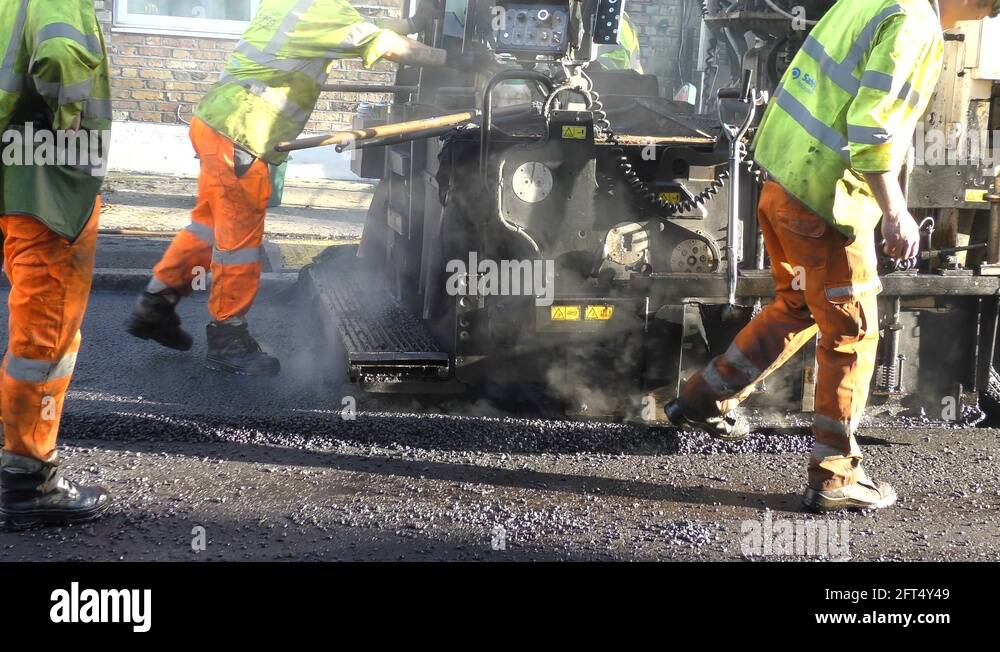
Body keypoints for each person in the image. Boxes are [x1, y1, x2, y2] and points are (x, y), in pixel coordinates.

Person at [665, 0, 1000, 512]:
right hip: (827, 200)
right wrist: (895, 212)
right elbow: (872, 127)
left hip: (783, 189)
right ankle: (835, 475)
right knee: (853, 331)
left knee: (798, 308)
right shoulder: (914, 25)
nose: (988, 16)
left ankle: (701, 399)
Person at [126, 0, 475, 376]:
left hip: (217, 122)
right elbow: (386, 45)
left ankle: (156, 306)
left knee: (208, 227)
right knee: (239, 243)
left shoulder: (292, 5)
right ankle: (228, 339)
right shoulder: (323, 9)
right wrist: (456, 58)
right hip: (244, 133)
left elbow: (362, 26)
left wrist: (411, 21)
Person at [0, 0, 112, 527]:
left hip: (13, 177)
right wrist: (68, 126)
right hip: (46, 192)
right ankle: (26, 481)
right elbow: (61, 58)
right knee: (45, 341)